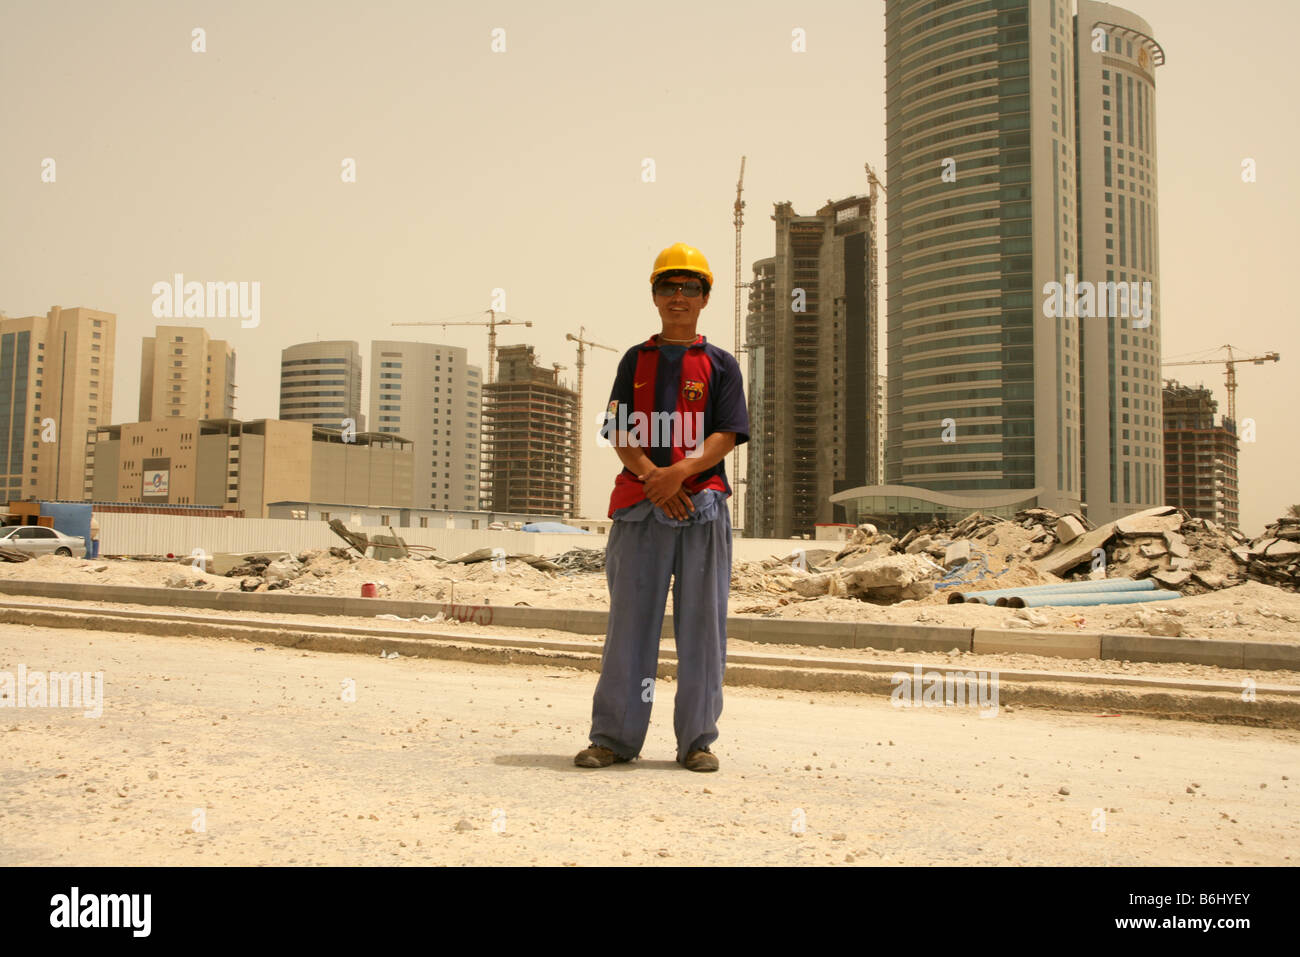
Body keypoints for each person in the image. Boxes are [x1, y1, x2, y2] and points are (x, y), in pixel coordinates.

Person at [574, 242, 749, 773]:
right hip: (641, 506)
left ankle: (697, 740)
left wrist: (680, 475)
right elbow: (616, 429)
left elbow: (728, 434)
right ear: (654, 295)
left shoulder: (720, 364)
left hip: (701, 508)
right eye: (668, 287)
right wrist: (654, 477)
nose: (679, 296)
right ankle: (613, 738)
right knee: (630, 625)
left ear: (704, 298)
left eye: (689, 288)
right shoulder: (636, 359)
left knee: (702, 627)